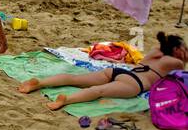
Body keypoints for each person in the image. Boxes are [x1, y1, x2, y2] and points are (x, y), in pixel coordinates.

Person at [18, 32, 187, 110]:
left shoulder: (155, 53)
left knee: (75, 79)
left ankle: (40, 83)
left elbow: (161, 47)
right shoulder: (175, 62)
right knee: (98, 91)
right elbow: (181, 76)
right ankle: (66, 100)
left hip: (119, 71)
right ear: (177, 50)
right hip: (135, 83)